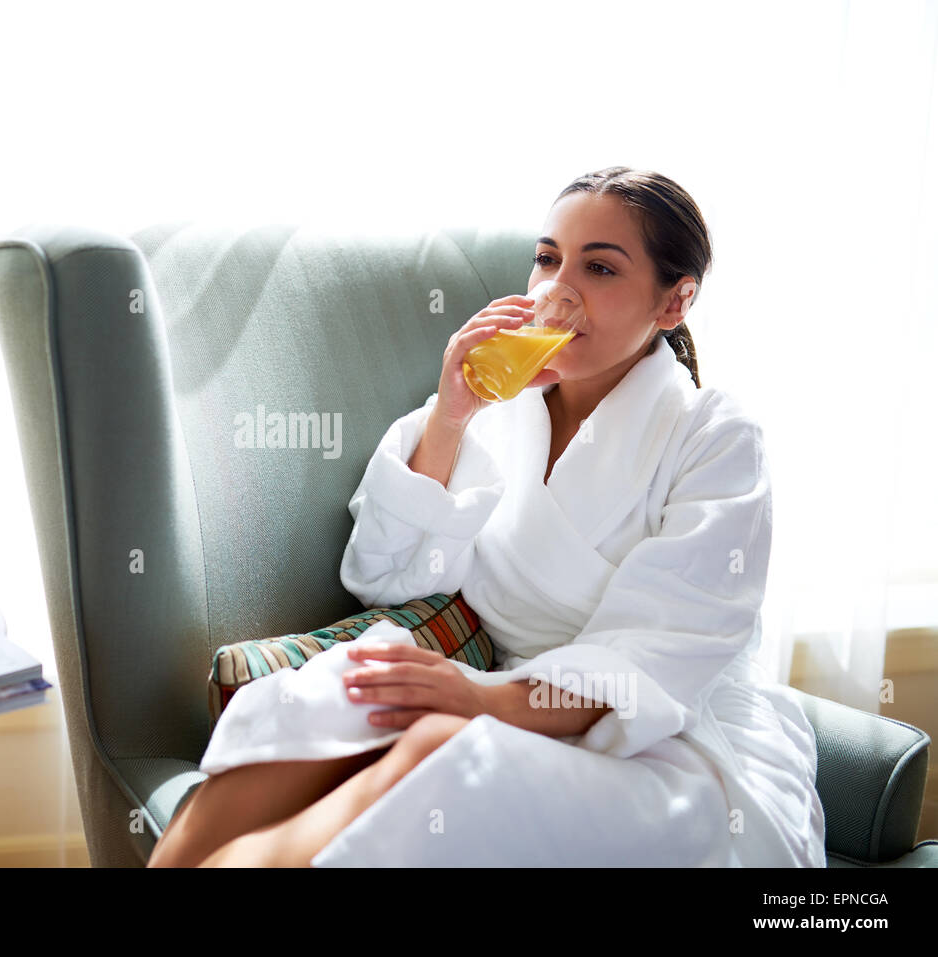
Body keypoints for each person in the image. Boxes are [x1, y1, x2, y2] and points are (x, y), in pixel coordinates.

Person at [147, 166, 827, 868]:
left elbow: (657, 660)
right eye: (547, 258)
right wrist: (450, 413)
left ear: (674, 302)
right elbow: (386, 576)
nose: (558, 290)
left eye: (599, 267)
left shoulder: (715, 436)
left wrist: (475, 697)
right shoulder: (501, 406)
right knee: (339, 691)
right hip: (505, 694)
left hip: (672, 746)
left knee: (441, 745)